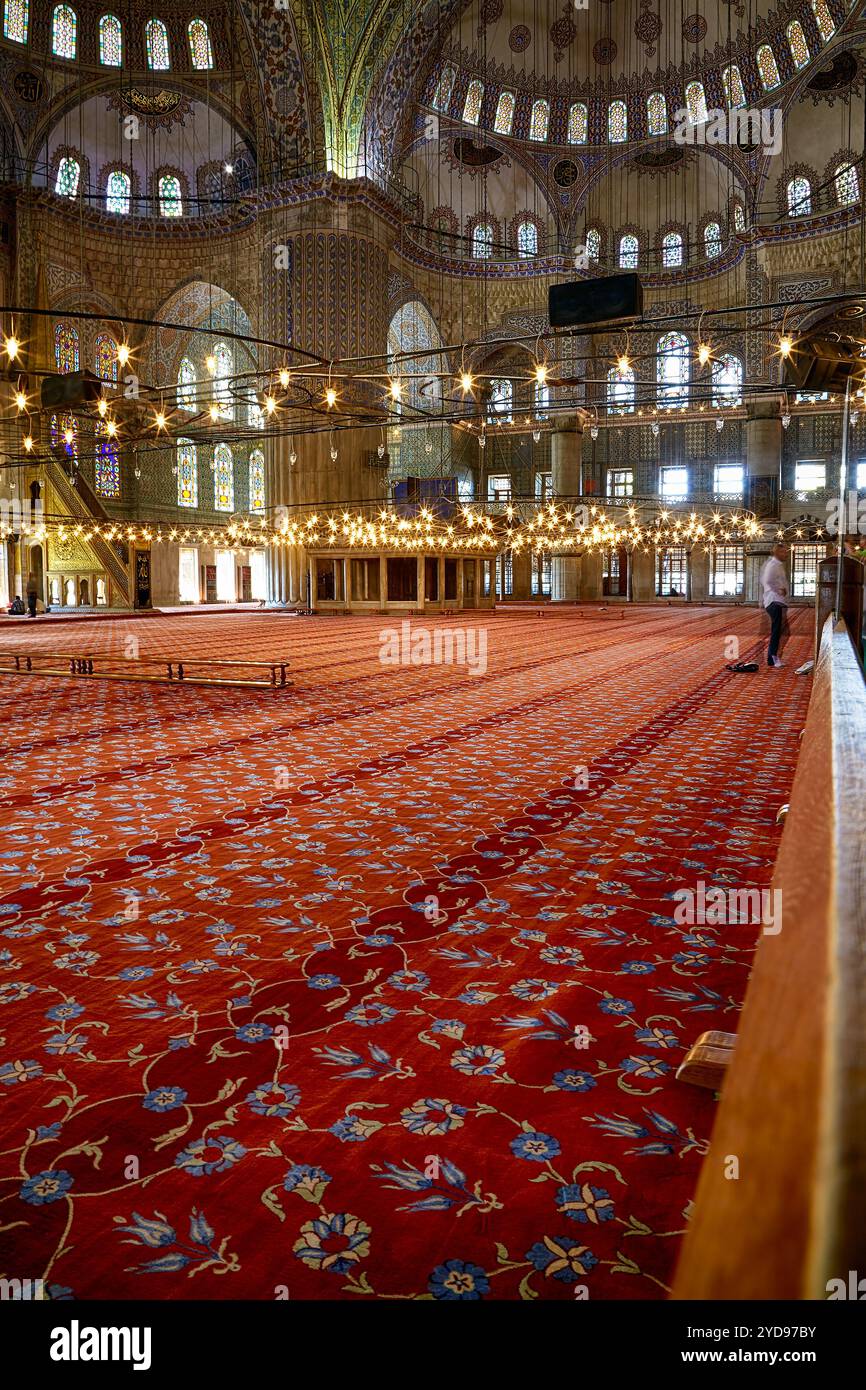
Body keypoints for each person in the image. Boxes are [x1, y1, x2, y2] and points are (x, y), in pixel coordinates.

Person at [759, 543, 789, 669]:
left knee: (783, 631)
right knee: (777, 631)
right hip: (774, 602)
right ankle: (773, 658)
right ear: (777, 553)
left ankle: (774, 657)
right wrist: (779, 590)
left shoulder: (777, 565)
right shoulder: (773, 565)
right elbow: (767, 581)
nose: (786, 554)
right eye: (784, 552)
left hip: (777, 601)